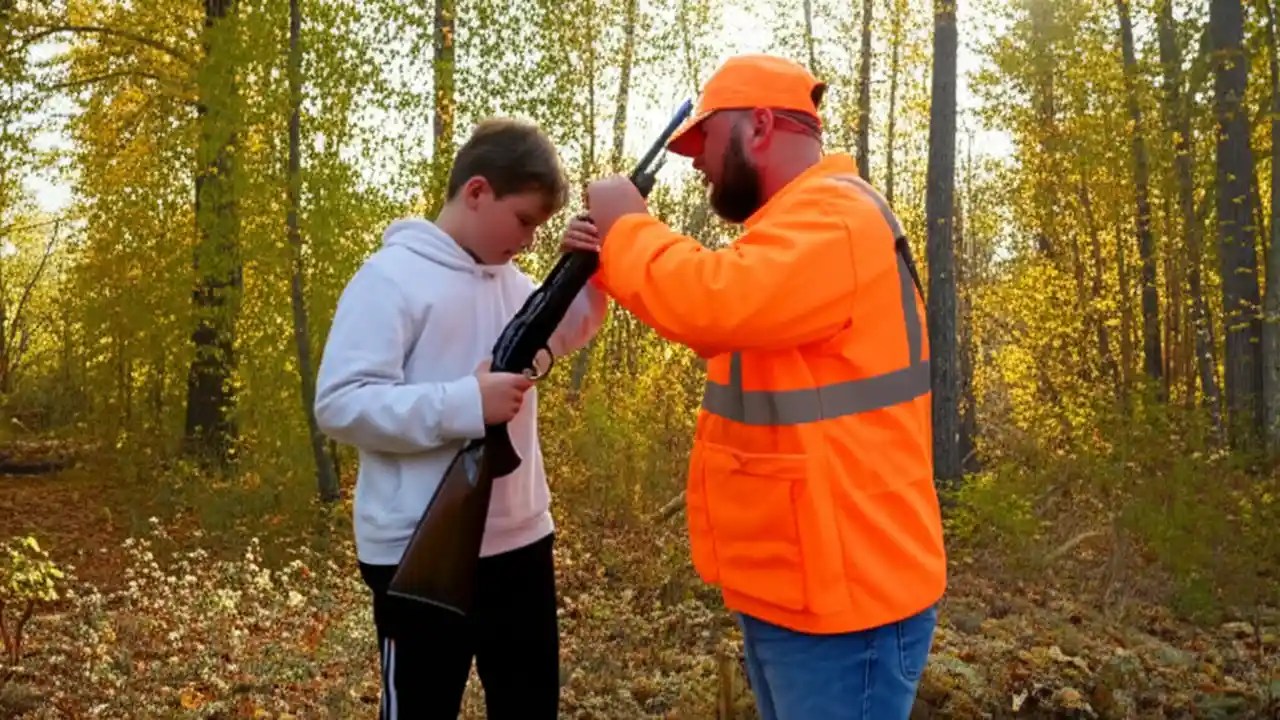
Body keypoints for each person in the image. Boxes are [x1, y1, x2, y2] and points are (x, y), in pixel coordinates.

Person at [581, 54, 948, 720]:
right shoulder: (794, 231)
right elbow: (717, 303)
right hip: (805, 586)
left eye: (702, 142)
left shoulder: (835, 221)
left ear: (757, 127)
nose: (696, 163)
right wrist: (610, 259)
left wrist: (628, 227)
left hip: (848, 603)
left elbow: (712, 303)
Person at [313, 117, 607, 720]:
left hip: (522, 541)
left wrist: (590, 264)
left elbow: (567, 329)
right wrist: (464, 406)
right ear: (477, 192)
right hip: (416, 553)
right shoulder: (389, 279)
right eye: (524, 220)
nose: (529, 240)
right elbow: (340, 403)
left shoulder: (513, 279)